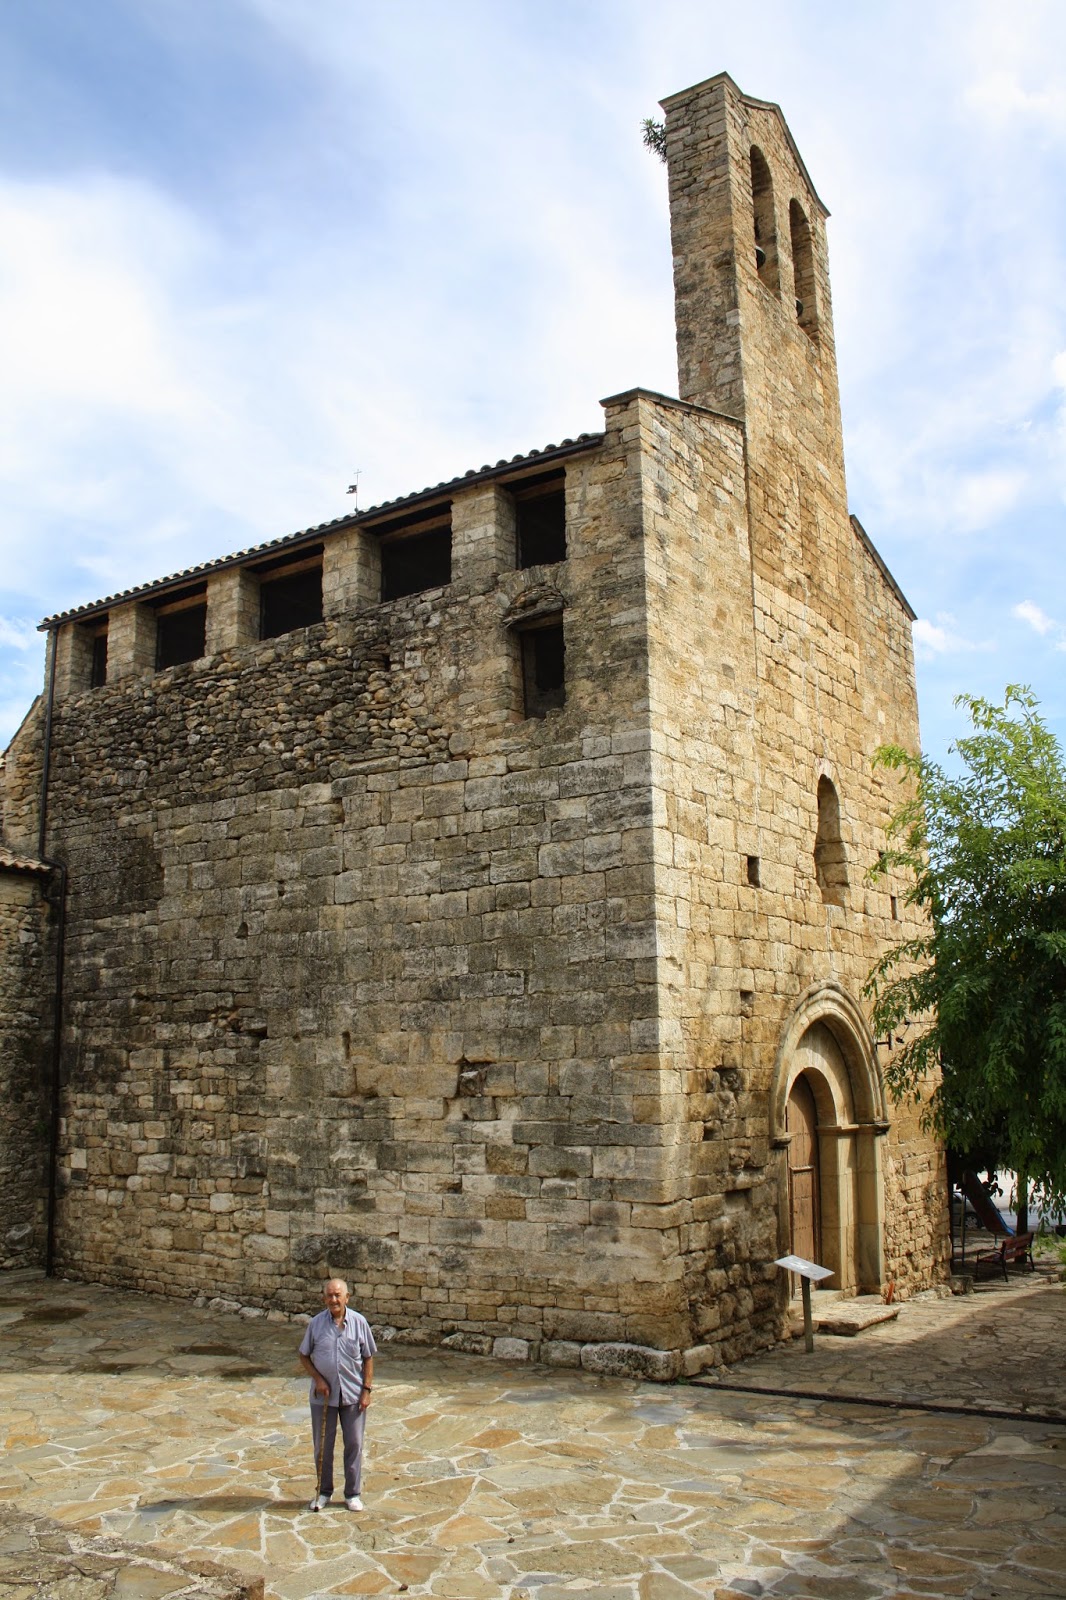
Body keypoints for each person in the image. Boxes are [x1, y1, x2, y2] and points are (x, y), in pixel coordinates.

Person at [298, 1277, 377, 1512]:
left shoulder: (359, 1323)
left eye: (338, 1295)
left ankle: (353, 1493)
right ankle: (324, 1492)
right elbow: (304, 1355)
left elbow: (368, 1357)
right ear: (324, 1299)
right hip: (324, 1397)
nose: (334, 1300)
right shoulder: (316, 1324)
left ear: (347, 1298)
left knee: (354, 1444)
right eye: (330, 1296)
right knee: (323, 1446)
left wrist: (366, 1390)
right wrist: (318, 1379)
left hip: (353, 1395)